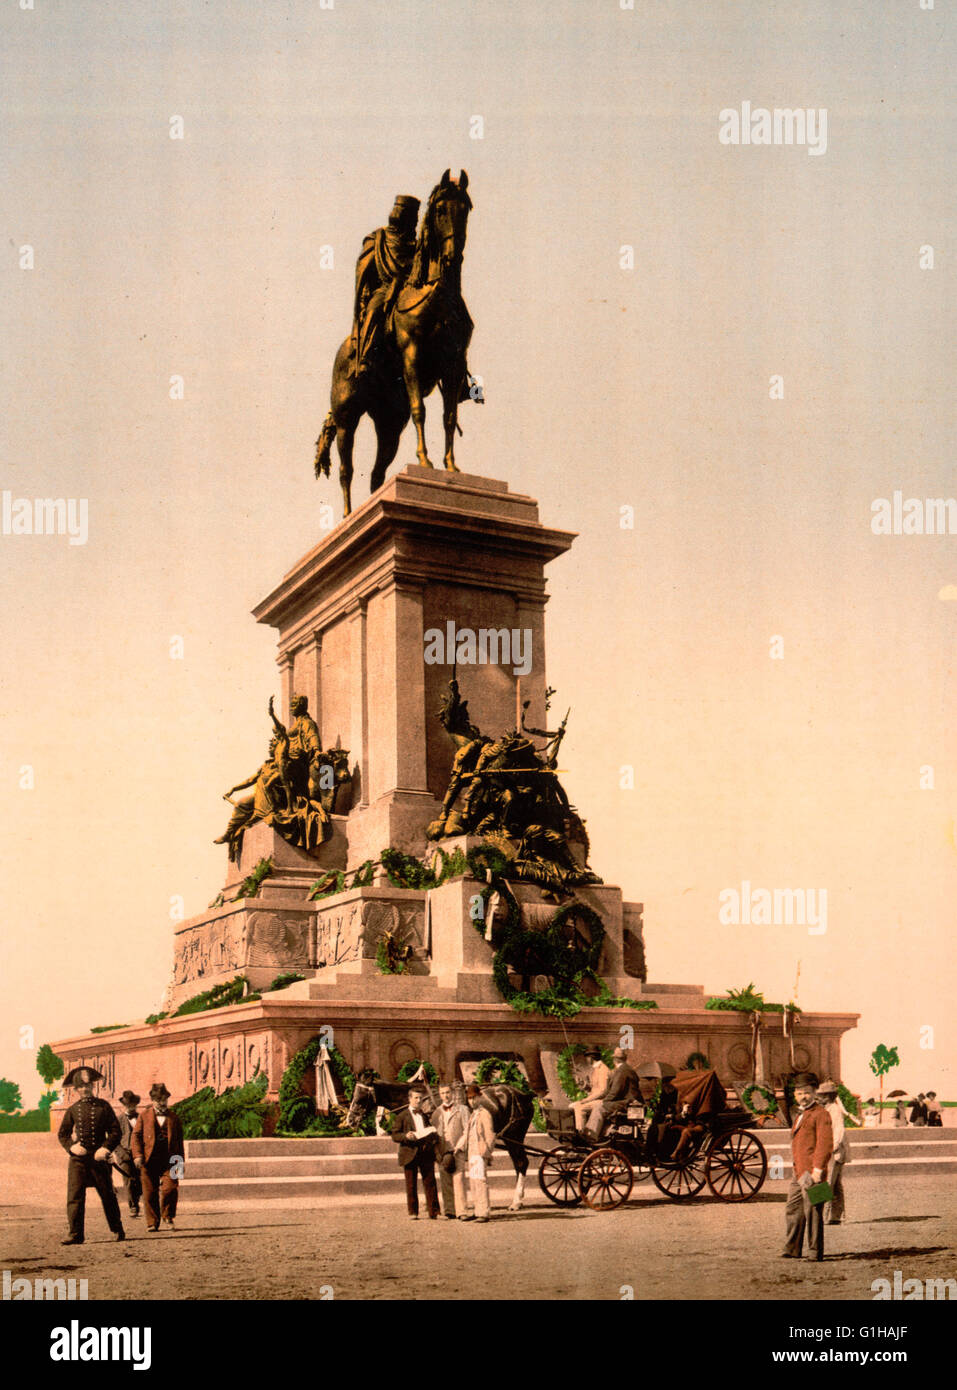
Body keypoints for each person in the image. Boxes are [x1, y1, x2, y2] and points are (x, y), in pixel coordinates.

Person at [352, 195, 420, 377]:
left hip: (411, 290)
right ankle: (366, 356)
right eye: (398, 209)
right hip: (385, 289)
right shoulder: (377, 238)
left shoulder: (418, 245)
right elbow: (364, 273)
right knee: (375, 311)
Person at [57, 1066, 125, 1246]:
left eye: (88, 1086)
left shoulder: (104, 1106)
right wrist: (72, 1147)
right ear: (76, 1089)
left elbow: (115, 1131)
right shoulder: (73, 1109)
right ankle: (75, 1234)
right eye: (81, 1087)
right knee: (74, 1196)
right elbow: (62, 1134)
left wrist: (106, 1148)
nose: (85, 1089)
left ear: (93, 1086)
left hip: (99, 1158)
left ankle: (117, 1228)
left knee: (107, 1194)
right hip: (79, 1160)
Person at [781, 1072, 833, 1262]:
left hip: (813, 1172)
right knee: (793, 1208)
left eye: (807, 1093)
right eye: (799, 1093)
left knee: (814, 1212)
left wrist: (818, 1170)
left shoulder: (821, 1114)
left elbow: (825, 1144)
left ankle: (815, 1251)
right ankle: (792, 1248)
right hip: (799, 1172)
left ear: (814, 1093)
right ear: (795, 1095)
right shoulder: (800, 1115)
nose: (803, 1096)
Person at [131, 1082, 185, 1232]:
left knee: (170, 1189)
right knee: (149, 1192)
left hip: (170, 1160)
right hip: (149, 1160)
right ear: (153, 1100)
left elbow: (179, 1143)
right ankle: (152, 1222)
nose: (162, 1103)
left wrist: (180, 1166)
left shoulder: (174, 1118)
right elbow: (135, 1136)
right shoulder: (144, 1116)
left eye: (164, 1099)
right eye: (158, 1100)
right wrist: (137, 1155)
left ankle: (168, 1216)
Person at [391, 1084, 440, 1220]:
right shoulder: (402, 1116)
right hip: (409, 1152)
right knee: (411, 1184)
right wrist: (406, 1136)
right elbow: (395, 1135)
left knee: (430, 1182)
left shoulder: (423, 1115)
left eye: (421, 1098)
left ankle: (434, 1211)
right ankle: (413, 1212)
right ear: (410, 1099)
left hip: (425, 1152)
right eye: (416, 1098)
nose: (419, 1101)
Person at [816, 1080, 852, 1225]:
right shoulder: (826, 1109)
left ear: (828, 1096)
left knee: (826, 1182)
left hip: (833, 1152)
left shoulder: (835, 1110)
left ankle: (820, 1215)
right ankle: (836, 1215)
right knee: (836, 1185)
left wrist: (832, 1148)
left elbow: (839, 1131)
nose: (819, 1098)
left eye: (822, 1095)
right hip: (831, 1150)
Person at [432, 1082, 470, 1220]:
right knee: (445, 1179)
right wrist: (437, 1151)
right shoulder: (437, 1112)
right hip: (443, 1150)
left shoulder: (463, 1109)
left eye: (447, 1092)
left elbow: (467, 1130)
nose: (445, 1096)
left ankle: (462, 1211)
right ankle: (450, 1210)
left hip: (457, 1149)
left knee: (459, 1179)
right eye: (442, 1093)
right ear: (440, 1095)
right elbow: (434, 1133)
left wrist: (459, 1146)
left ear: (452, 1093)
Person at [587, 1046, 641, 1137]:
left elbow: (615, 1091)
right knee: (600, 1105)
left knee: (599, 1107)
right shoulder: (625, 1069)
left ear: (615, 1059)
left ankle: (591, 1135)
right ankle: (600, 1133)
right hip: (628, 1102)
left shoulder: (622, 1071)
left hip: (628, 1103)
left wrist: (604, 1101)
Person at [465, 1085, 496, 1223]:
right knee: (474, 1181)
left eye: (474, 1098)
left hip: (480, 1151)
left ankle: (484, 1212)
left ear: (479, 1097)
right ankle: (477, 1210)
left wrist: (486, 1152)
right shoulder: (473, 1114)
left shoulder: (484, 1113)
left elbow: (490, 1135)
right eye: (469, 1099)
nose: (472, 1101)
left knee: (480, 1181)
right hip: (472, 1151)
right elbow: (467, 1133)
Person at [110, 1090, 142, 1218]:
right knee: (128, 1182)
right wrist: (122, 1154)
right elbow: (114, 1141)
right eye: (128, 1105)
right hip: (125, 1155)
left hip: (139, 1155)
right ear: (124, 1105)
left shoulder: (141, 1118)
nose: (130, 1107)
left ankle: (137, 1200)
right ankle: (133, 1206)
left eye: (133, 1104)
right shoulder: (118, 1120)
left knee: (139, 1181)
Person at [570, 1047, 611, 1132]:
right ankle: (578, 1130)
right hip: (595, 1100)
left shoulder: (603, 1069)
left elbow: (602, 1091)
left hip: (602, 1101)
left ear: (590, 1058)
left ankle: (581, 1134)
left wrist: (585, 1101)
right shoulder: (596, 1069)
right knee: (573, 1106)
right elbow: (594, 1089)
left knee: (579, 1108)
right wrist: (583, 1085)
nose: (586, 1060)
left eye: (586, 1058)